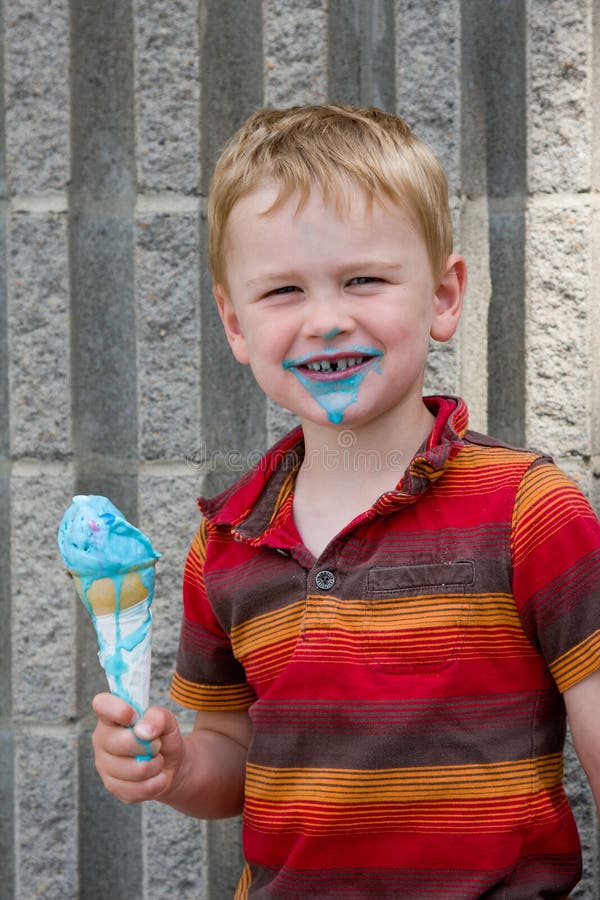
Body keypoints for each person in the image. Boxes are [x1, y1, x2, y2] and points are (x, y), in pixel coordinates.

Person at [92, 104, 600, 898]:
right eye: (284, 291)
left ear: (442, 296)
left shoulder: (526, 509)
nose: (326, 320)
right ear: (235, 323)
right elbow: (232, 754)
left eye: (363, 279)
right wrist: (180, 767)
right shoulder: (226, 542)